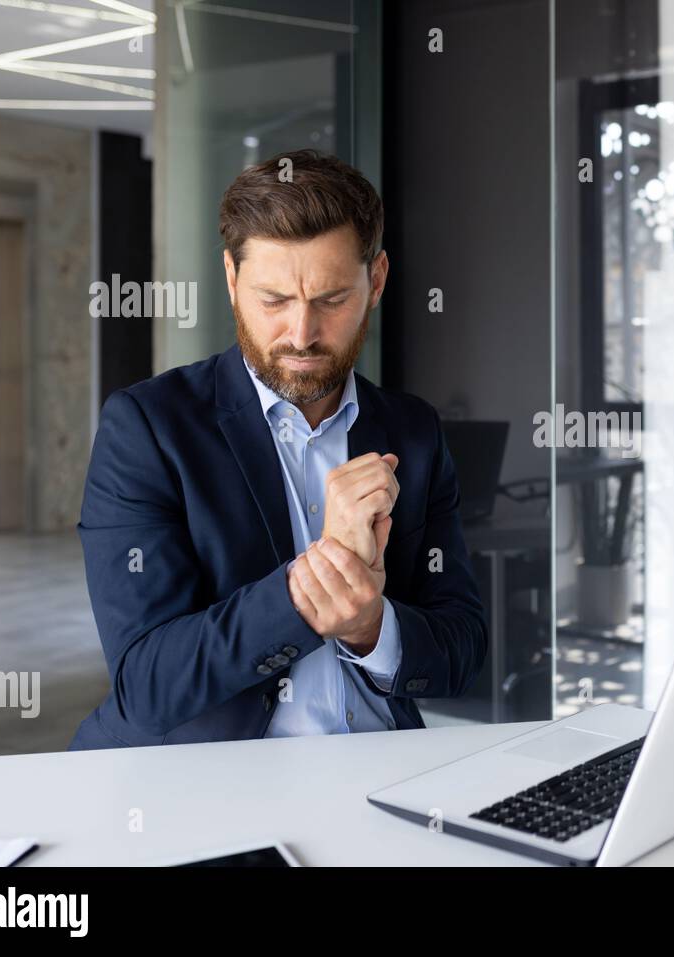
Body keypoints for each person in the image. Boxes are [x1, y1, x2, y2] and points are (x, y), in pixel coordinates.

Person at [68, 150, 486, 749]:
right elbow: (148, 682)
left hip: (380, 776)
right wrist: (313, 590)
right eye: (273, 300)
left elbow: (463, 647)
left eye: (331, 299)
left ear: (378, 281)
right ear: (232, 281)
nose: (301, 333)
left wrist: (373, 627)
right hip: (206, 787)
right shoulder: (147, 428)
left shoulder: (413, 429)